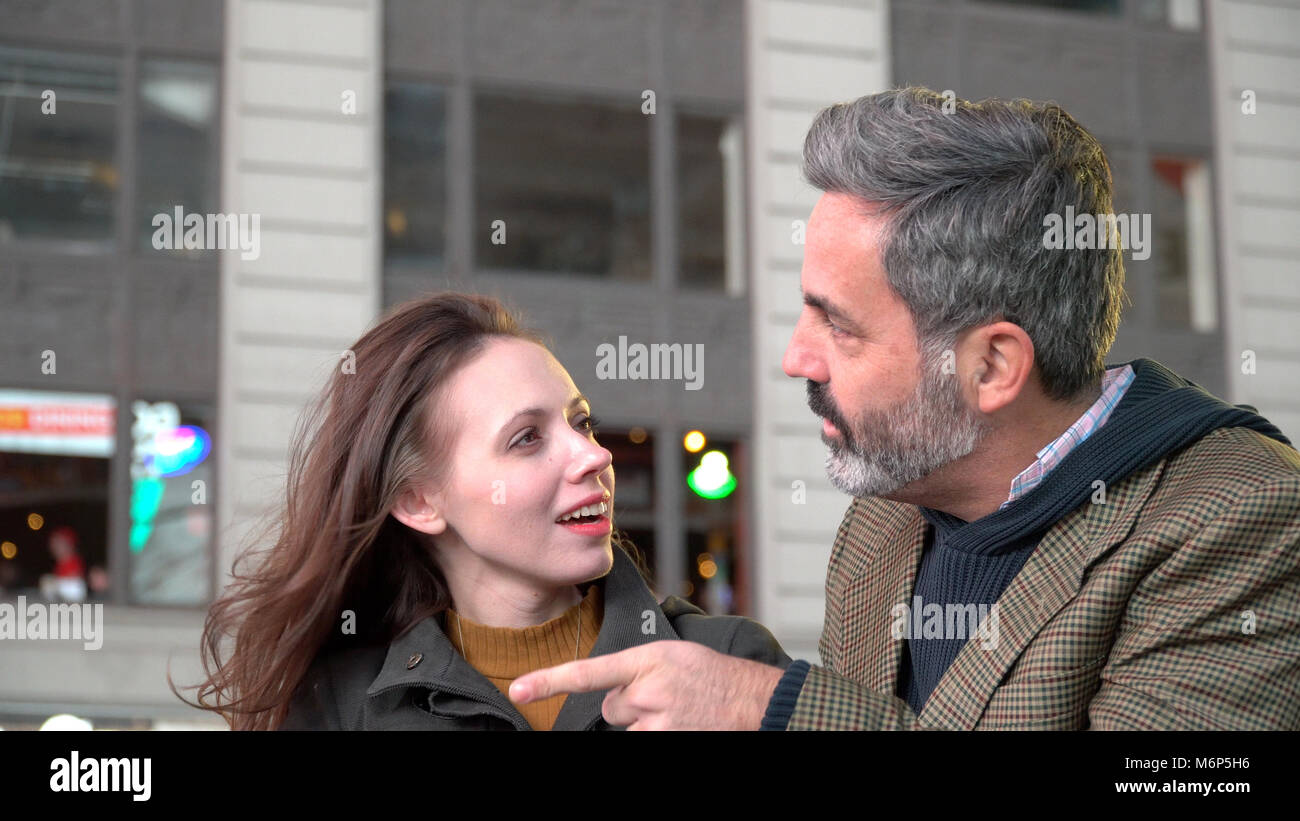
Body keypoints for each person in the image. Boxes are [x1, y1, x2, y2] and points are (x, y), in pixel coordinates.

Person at [510, 86, 1300, 730]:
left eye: (839, 324)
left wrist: (772, 708)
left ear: (992, 365)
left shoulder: (1247, 515)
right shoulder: (884, 521)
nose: (796, 358)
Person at [176, 292, 789, 730]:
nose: (592, 455)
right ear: (419, 501)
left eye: (582, 423)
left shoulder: (730, 663)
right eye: (527, 438)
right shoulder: (341, 707)